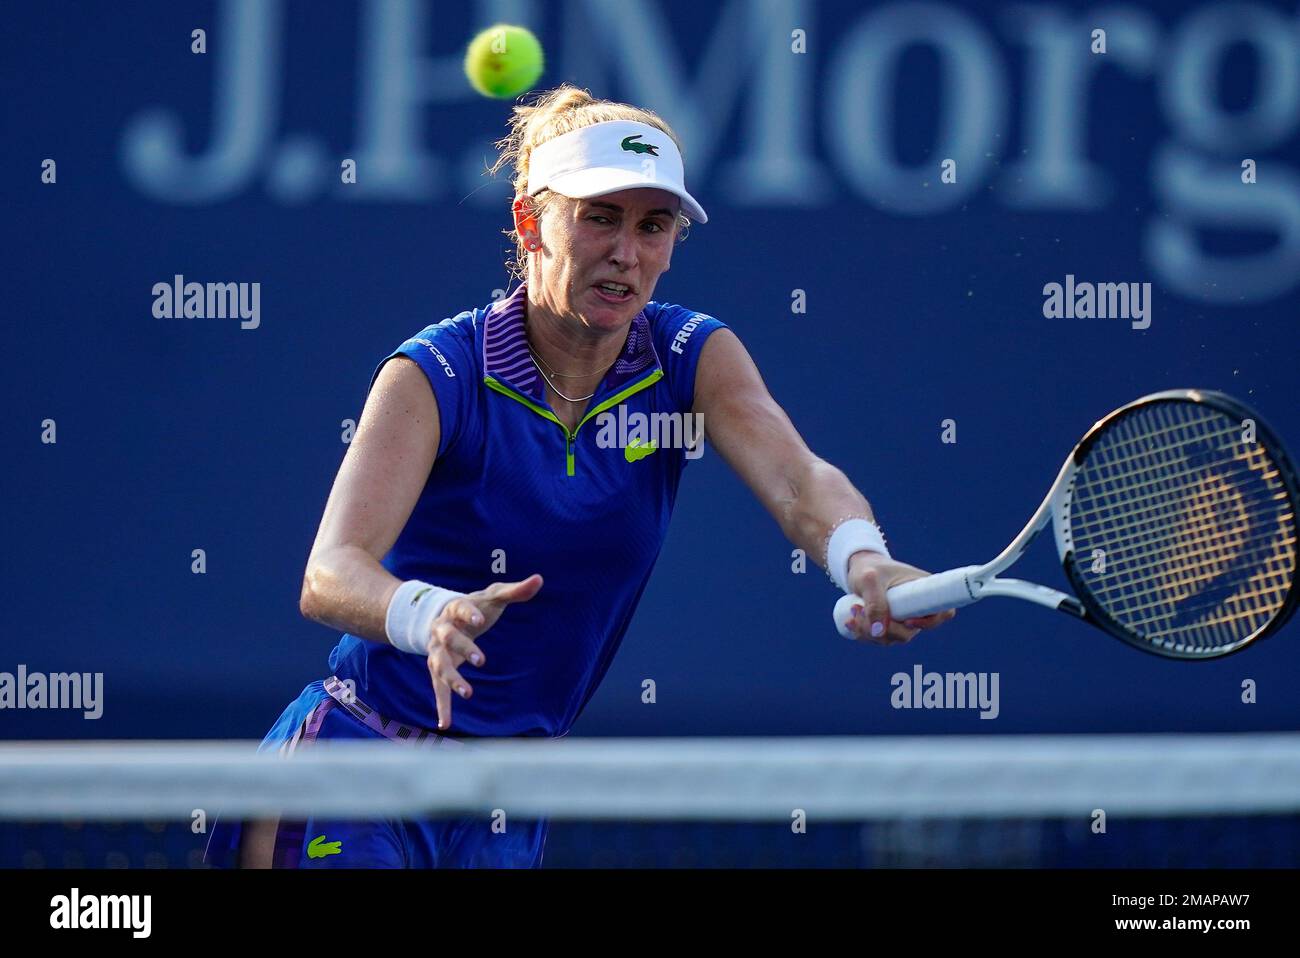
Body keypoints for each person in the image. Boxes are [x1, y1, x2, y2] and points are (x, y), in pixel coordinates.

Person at [205, 83, 954, 869]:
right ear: (532, 223)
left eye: (653, 226)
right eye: (600, 217)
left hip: (505, 801)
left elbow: (799, 480)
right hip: (355, 768)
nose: (627, 253)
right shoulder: (436, 373)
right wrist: (427, 614)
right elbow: (329, 574)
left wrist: (861, 558)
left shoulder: (688, 357)